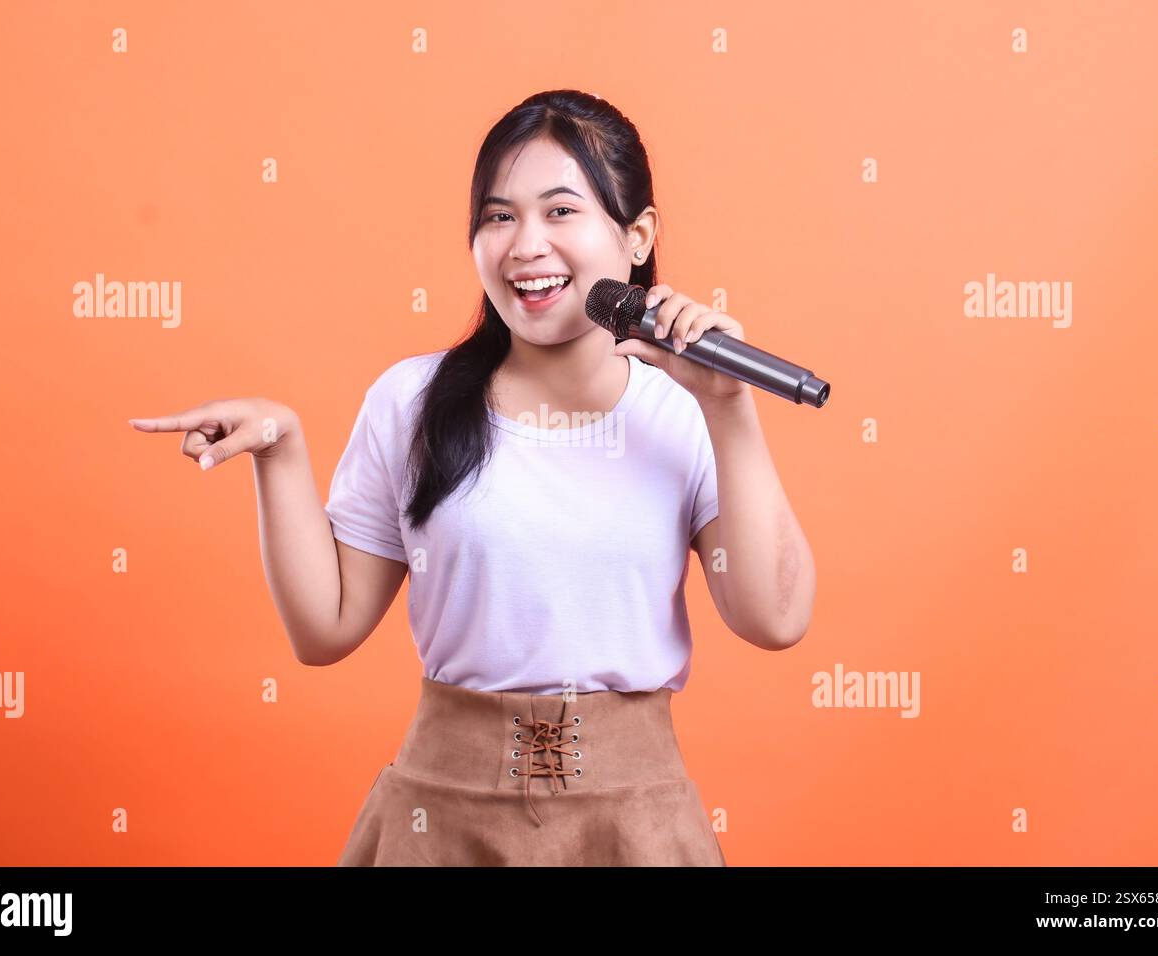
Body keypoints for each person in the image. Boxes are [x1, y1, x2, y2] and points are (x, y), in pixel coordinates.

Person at [129, 89, 815, 867]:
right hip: (439, 822)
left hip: (635, 827)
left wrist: (730, 408)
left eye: (560, 212)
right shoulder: (411, 401)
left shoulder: (686, 412)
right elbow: (325, 631)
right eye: (498, 216)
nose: (525, 245)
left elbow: (777, 618)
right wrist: (281, 451)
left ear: (636, 236)